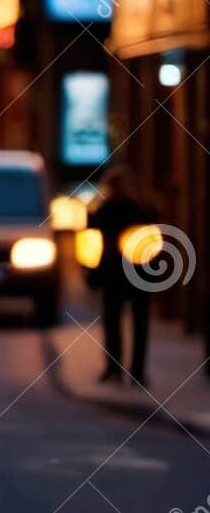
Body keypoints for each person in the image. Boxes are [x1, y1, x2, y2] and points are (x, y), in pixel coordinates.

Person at [91, 166, 154, 387]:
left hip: (113, 272)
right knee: (140, 323)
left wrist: (93, 273)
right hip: (140, 272)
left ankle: (113, 369)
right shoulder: (142, 209)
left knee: (112, 322)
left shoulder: (105, 210)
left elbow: (94, 239)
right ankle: (137, 373)